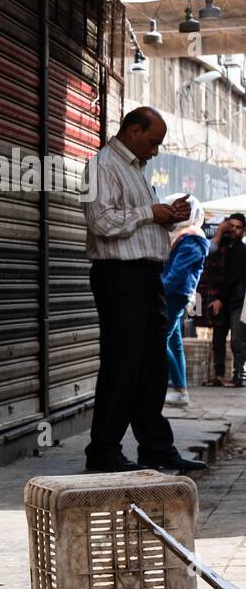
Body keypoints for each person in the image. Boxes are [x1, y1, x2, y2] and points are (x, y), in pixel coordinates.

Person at [81, 106, 204, 473]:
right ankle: (103, 450)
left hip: (146, 277)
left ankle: (156, 448)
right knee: (122, 364)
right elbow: (100, 221)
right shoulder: (101, 166)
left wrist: (167, 215)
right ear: (133, 131)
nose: (155, 151)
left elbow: (135, 222)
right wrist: (152, 213)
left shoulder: (136, 169)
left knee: (150, 367)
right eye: (152, 142)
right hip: (120, 278)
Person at [161, 194, 209, 407]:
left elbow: (177, 275)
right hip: (178, 293)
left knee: (157, 339)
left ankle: (180, 389)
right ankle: (180, 390)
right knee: (174, 341)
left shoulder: (190, 239)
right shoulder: (188, 238)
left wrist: (158, 288)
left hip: (175, 294)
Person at [199, 212, 246, 387]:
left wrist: (220, 299)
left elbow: (232, 278)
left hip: (237, 301)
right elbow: (209, 254)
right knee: (218, 338)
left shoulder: (242, 251)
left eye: (238, 227)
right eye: (231, 226)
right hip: (219, 298)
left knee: (237, 339)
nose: (234, 230)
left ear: (244, 231)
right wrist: (219, 232)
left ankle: (239, 375)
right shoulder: (222, 247)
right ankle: (219, 375)